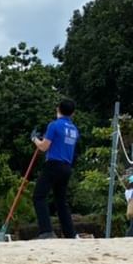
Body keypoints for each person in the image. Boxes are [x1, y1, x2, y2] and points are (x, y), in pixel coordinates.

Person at [31, 99, 79, 239]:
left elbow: (43, 147)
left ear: (58, 109)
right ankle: (70, 233)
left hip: (53, 164)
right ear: (73, 113)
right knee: (61, 201)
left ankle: (46, 231)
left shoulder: (54, 125)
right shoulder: (74, 130)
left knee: (39, 196)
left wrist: (34, 138)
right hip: (67, 166)